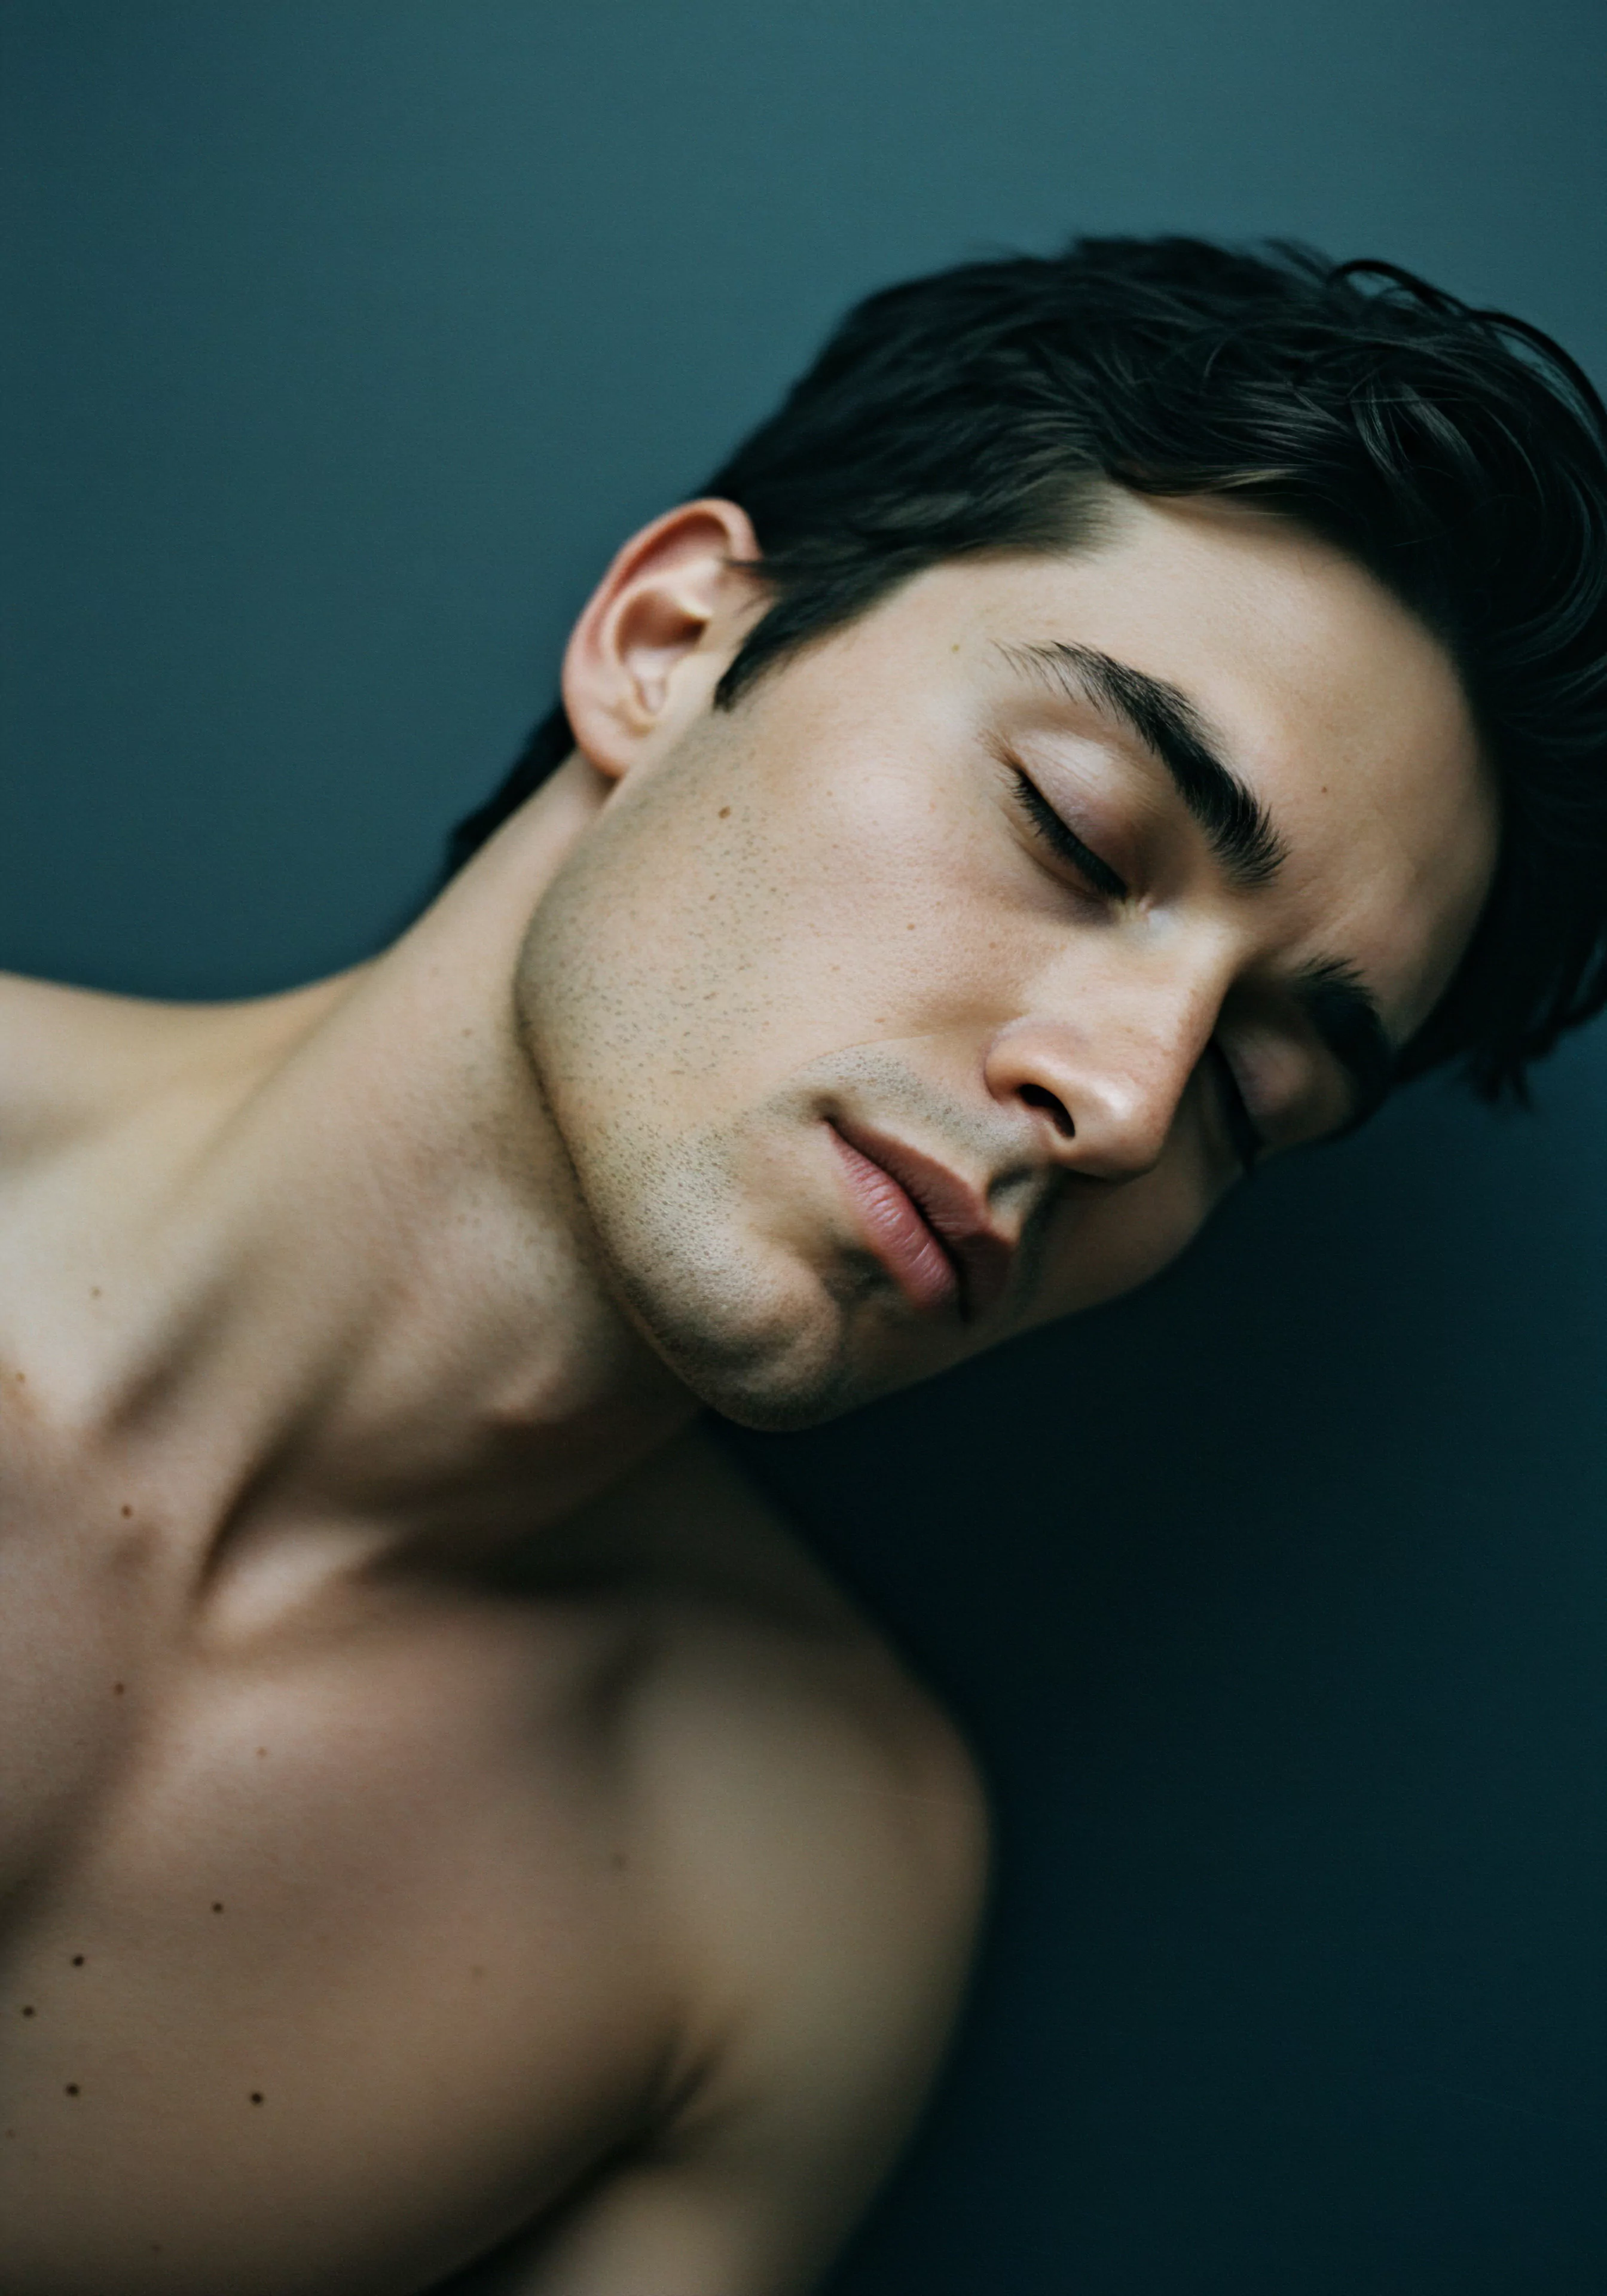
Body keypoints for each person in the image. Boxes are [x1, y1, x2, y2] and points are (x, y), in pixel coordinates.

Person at [2, 234, 1605, 2296]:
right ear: (669, 642)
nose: (1123, 1103)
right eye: (1080, 830)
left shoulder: (788, 1903)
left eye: (1257, 1098)